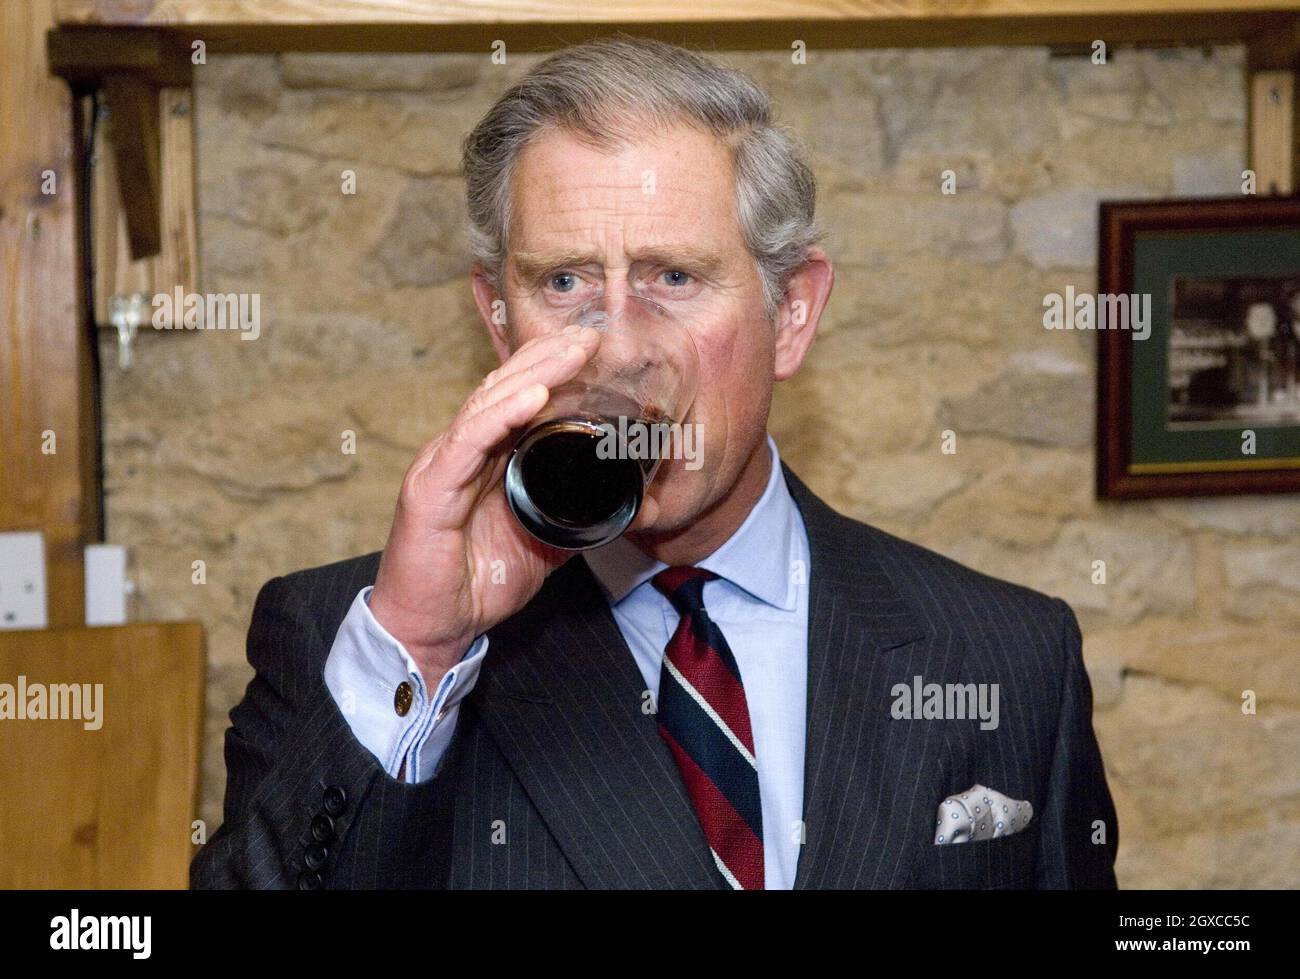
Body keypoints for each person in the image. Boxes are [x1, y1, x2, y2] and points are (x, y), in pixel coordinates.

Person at [191, 35, 1118, 890]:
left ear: (791, 310)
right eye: (564, 283)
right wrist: (423, 651)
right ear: (498, 317)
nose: (620, 346)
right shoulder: (350, 644)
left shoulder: (1007, 653)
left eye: (674, 277)